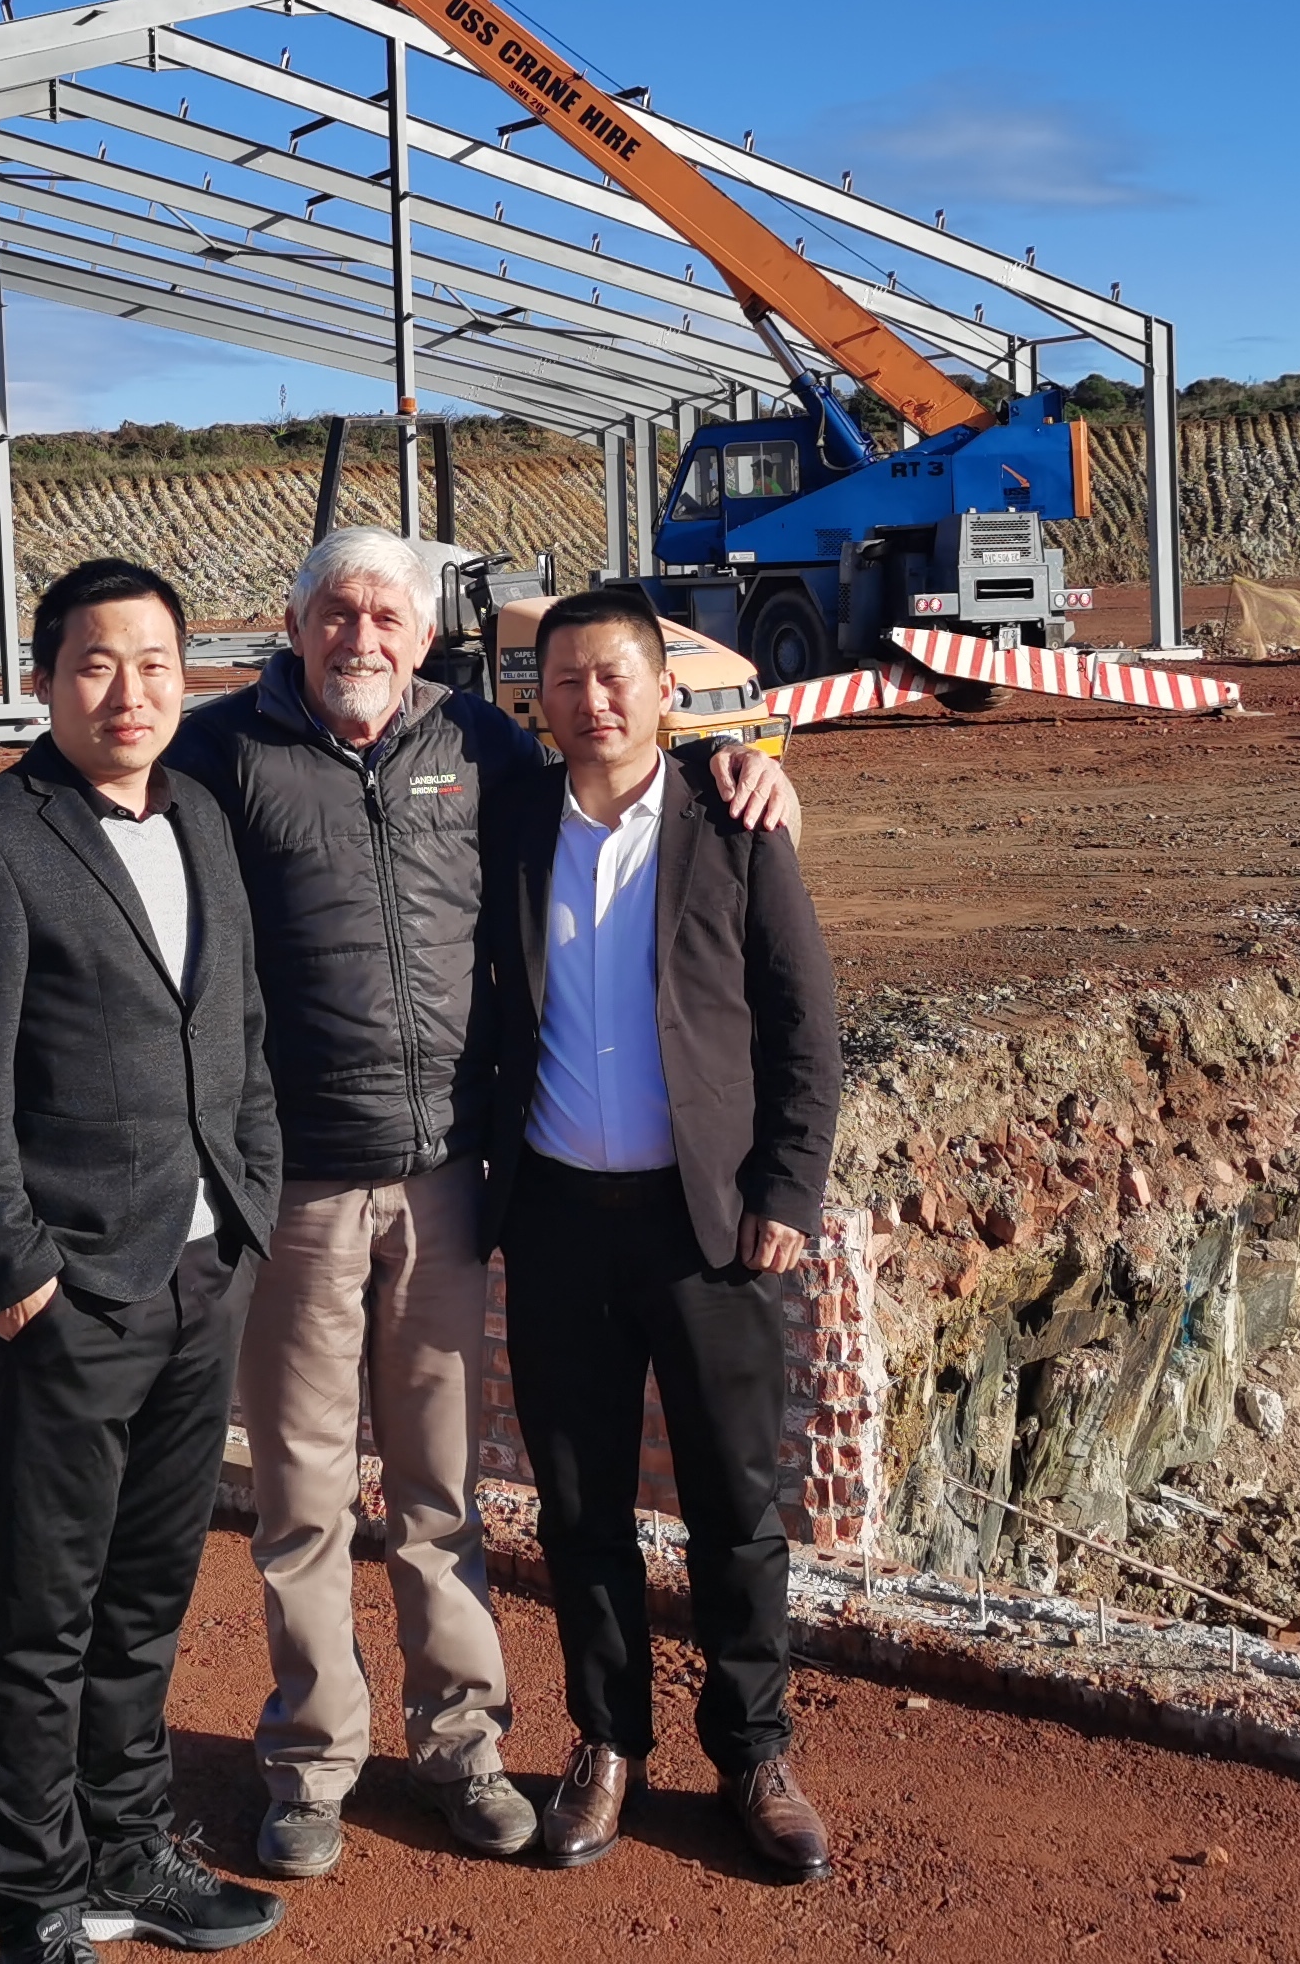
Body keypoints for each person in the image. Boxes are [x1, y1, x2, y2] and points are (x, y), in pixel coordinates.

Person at [165, 527, 798, 1881]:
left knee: (446, 1498)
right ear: (296, 625)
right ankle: (314, 1765)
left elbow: (627, 776)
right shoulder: (222, 755)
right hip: (313, 1193)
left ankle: (465, 1752)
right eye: (337, 614)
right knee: (303, 1497)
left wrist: (738, 771)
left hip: (455, 1187)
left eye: (387, 616)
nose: (362, 640)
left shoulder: (480, 752)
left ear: (425, 633)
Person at [0, 556, 288, 1964]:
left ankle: (129, 1847)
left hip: (198, 1275)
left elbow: (237, 1033)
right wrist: (14, 1270)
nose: (130, 692)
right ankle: (37, 1895)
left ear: (188, 676)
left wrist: (248, 1204)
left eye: (156, 663)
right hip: (69, 1292)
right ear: (49, 676)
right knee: (40, 1613)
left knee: (149, 1593)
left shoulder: (202, 825)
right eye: (97, 665)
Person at [478, 581, 843, 1882]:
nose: (593, 699)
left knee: (736, 1507)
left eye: (617, 676)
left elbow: (806, 1027)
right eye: (568, 679)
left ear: (668, 693)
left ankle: (753, 1751)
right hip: (560, 1221)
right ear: (543, 698)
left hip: (710, 1232)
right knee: (580, 1509)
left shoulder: (734, 820)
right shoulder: (507, 819)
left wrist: (787, 1191)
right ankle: (606, 1744)